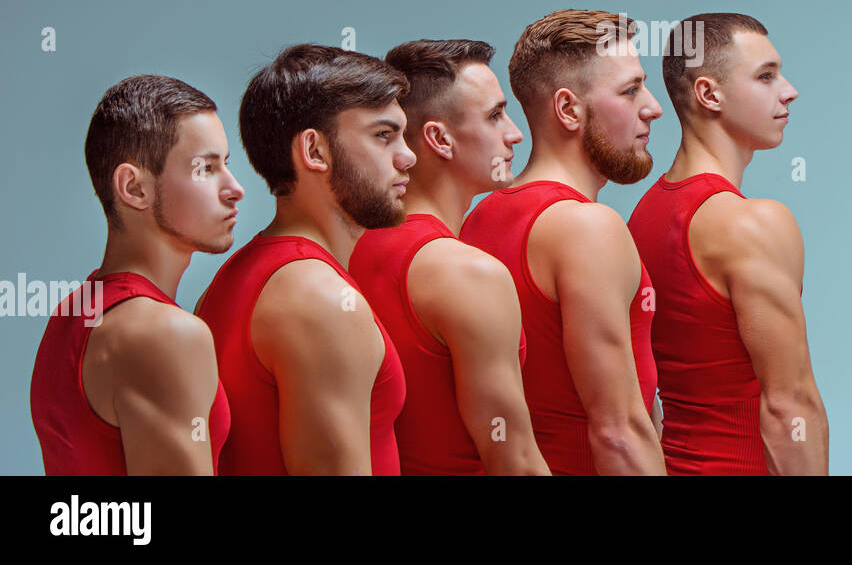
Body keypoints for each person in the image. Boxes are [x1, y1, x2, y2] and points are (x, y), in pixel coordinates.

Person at [460, 10, 665, 475]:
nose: (652, 107)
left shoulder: (479, 218)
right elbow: (618, 434)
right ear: (569, 109)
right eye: (630, 90)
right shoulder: (588, 228)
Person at [628, 13, 829, 474]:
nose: (789, 91)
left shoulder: (644, 215)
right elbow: (789, 405)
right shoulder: (752, 223)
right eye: (766, 76)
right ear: (709, 94)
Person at [196, 45, 412, 474]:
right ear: (314, 150)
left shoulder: (230, 280)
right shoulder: (321, 300)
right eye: (383, 135)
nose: (408, 156)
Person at [351, 38, 549, 474]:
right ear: (440, 139)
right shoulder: (467, 273)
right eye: (495, 115)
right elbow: (516, 459)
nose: (514, 133)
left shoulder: (349, 253)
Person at [31, 75, 241, 474]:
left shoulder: (72, 313)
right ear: (134, 188)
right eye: (205, 168)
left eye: (226, 164)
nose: (234, 188)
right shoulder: (165, 335)